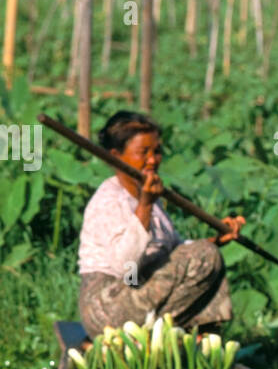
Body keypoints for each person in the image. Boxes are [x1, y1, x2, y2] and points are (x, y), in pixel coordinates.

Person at [77, 111, 245, 339]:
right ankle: (158, 333)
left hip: (140, 293)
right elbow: (126, 267)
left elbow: (175, 250)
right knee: (204, 254)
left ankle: (196, 337)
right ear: (116, 157)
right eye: (143, 153)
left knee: (208, 256)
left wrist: (216, 240)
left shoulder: (150, 198)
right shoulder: (109, 201)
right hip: (109, 305)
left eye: (157, 152)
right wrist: (144, 206)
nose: (153, 160)